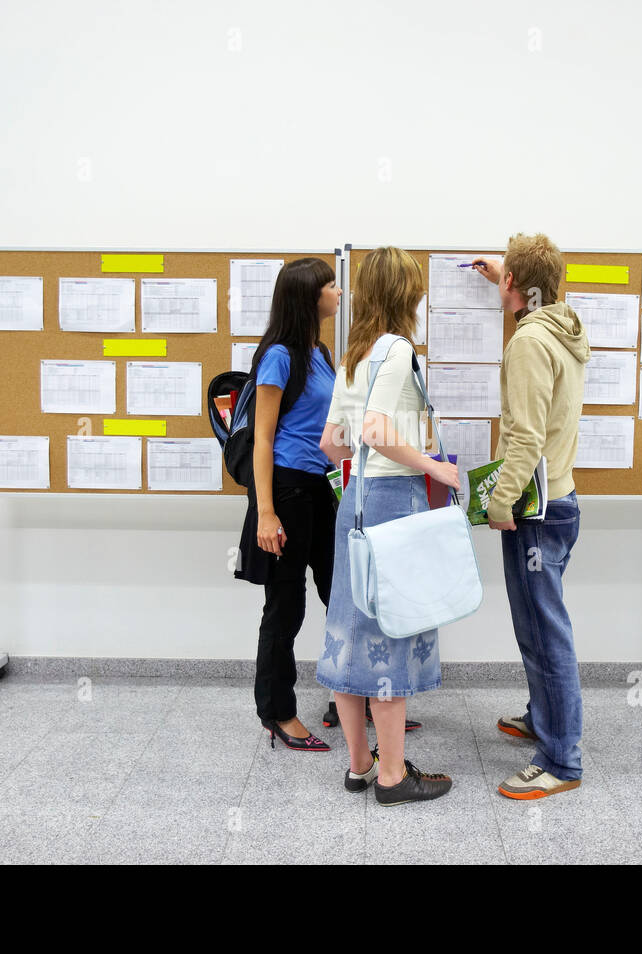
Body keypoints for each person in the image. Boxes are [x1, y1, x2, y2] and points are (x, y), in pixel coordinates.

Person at [317, 246, 462, 805]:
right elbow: (377, 431)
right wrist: (431, 466)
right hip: (393, 503)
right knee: (390, 635)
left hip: (354, 499)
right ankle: (393, 776)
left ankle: (359, 766)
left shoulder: (353, 354)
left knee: (350, 634)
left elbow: (334, 443)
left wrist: (357, 483)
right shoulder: (397, 350)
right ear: (406, 295)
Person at [472, 234, 590, 799]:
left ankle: (562, 760)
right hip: (561, 502)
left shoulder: (528, 344)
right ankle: (544, 719)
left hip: (533, 512)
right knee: (538, 626)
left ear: (515, 287)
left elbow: (525, 436)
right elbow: (538, 300)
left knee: (545, 633)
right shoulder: (563, 327)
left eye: (504, 281)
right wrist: (511, 274)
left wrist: (498, 503)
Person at [234, 257, 341, 752]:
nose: (338, 292)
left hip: (320, 487)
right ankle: (277, 712)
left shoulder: (319, 352)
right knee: (286, 605)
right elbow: (262, 439)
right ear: (308, 296)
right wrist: (267, 513)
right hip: (287, 490)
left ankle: (355, 700)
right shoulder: (279, 356)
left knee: (342, 597)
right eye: (330, 286)